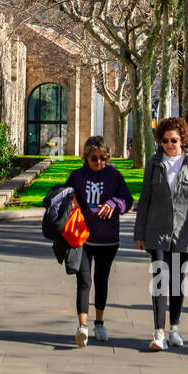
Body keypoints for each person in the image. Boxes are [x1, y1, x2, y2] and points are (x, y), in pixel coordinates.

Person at [133, 117, 188, 351]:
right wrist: (139, 232)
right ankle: (158, 332)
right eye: (165, 141)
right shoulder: (153, 163)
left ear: (182, 139)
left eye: (173, 140)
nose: (169, 145)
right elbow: (144, 199)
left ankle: (174, 327)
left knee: (177, 282)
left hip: (183, 232)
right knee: (160, 280)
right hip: (156, 231)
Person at [65, 136, 133, 346]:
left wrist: (114, 203)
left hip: (108, 240)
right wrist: (72, 202)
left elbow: (128, 200)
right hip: (83, 239)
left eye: (103, 158)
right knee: (84, 281)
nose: (99, 162)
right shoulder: (77, 176)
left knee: (101, 281)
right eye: (94, 158)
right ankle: (82, 327)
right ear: (86, 158)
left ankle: (100, 323)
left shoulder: (114, 175)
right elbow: (65, 196)